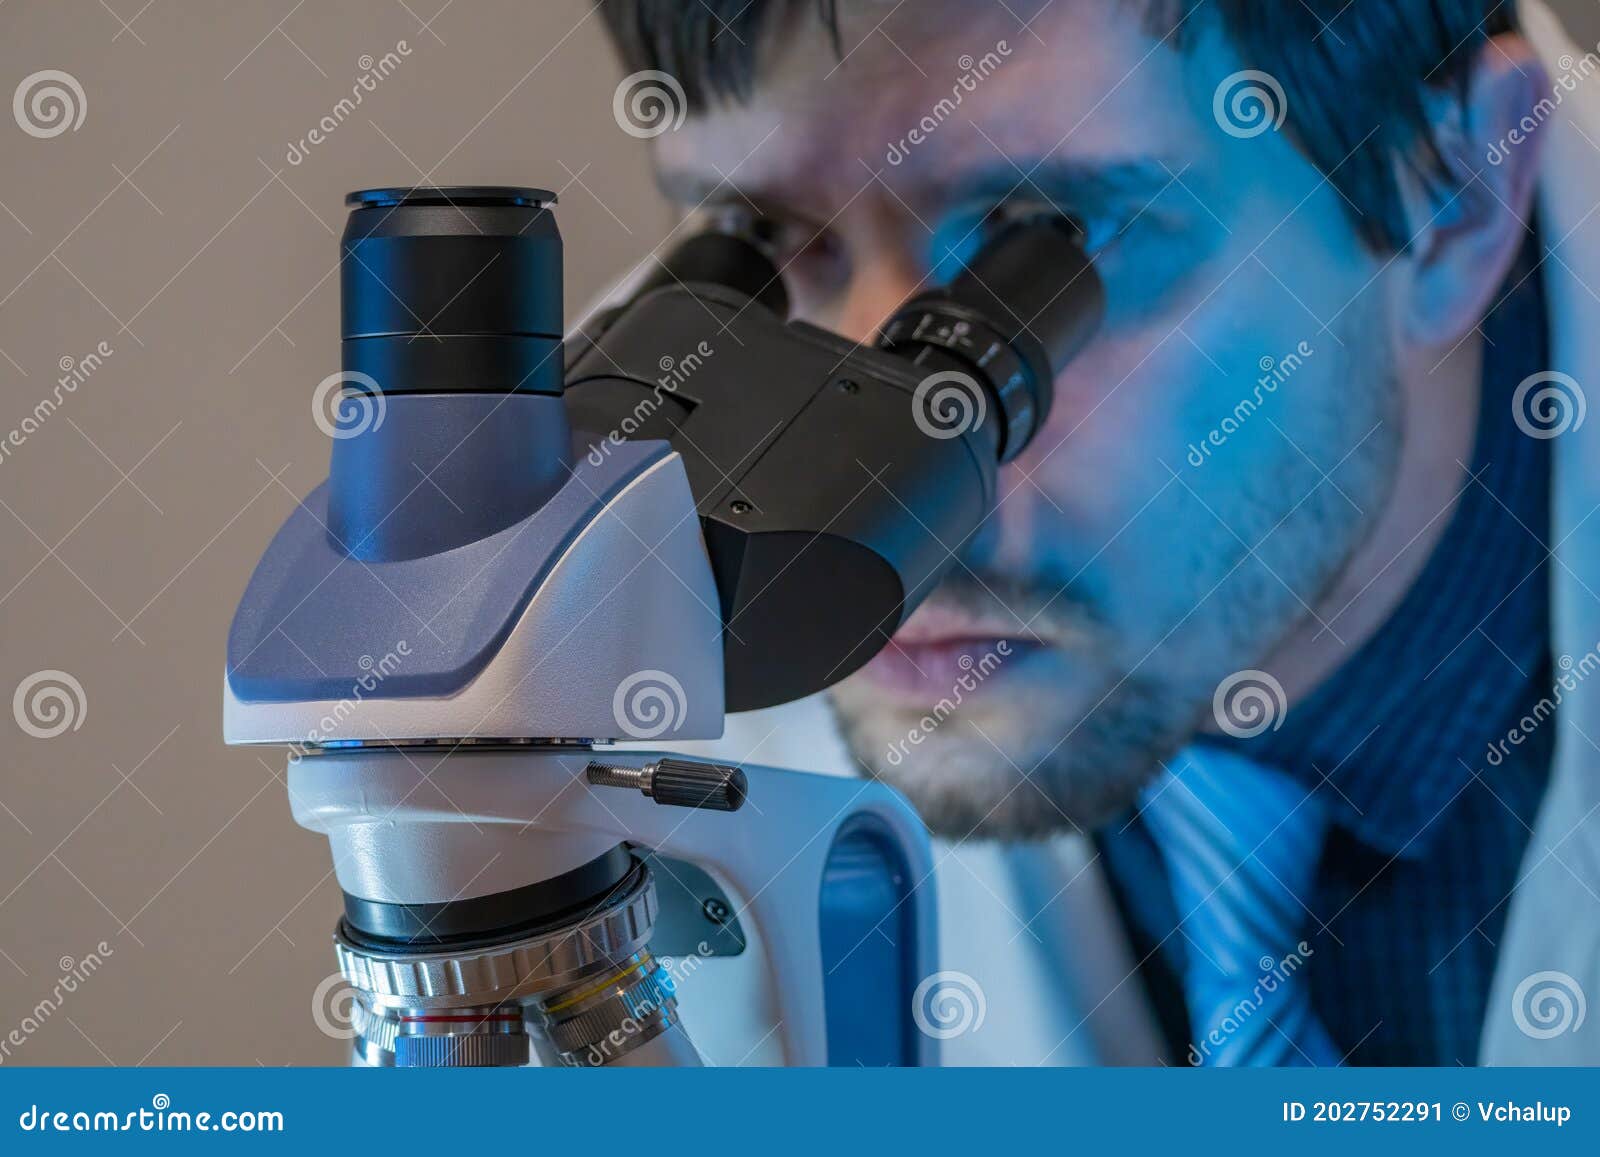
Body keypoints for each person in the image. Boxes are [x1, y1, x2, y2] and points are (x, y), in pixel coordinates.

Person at [600, 0, 1600, 1065]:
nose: (873, 489)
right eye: (767, 242)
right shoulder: (603, 540)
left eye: (1049, 240)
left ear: (1453, 192)